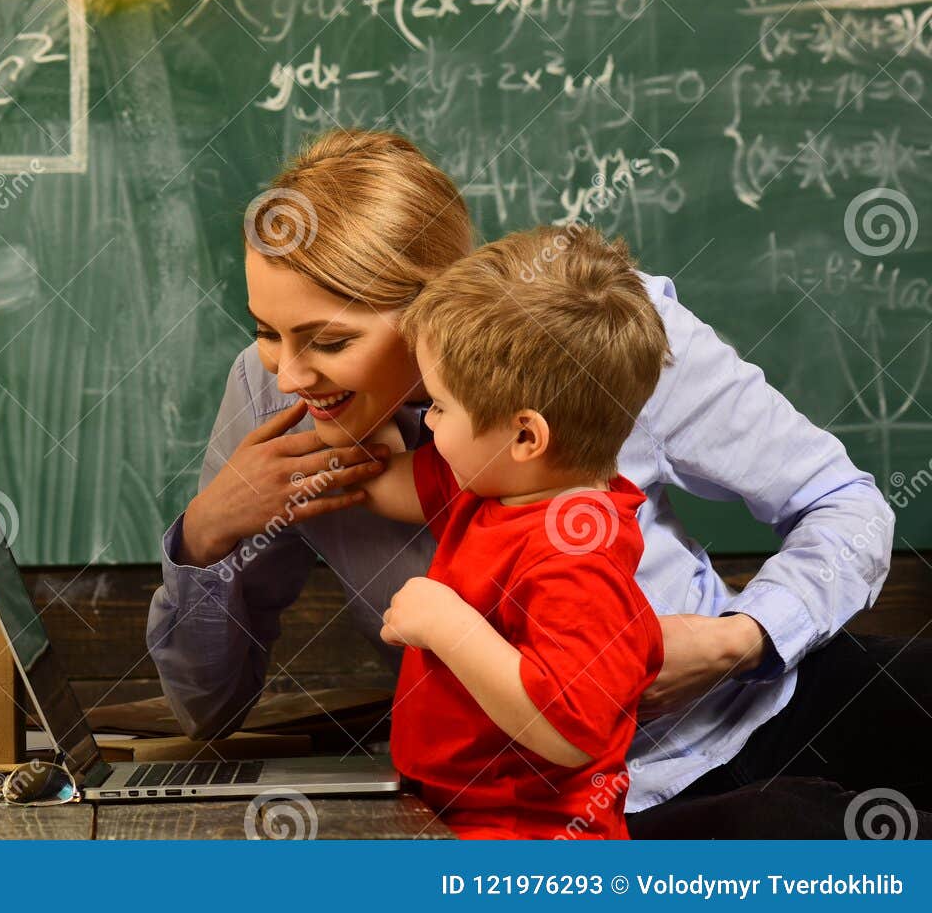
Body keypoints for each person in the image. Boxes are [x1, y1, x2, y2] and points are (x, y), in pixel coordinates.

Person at [148, 128, 929, 838]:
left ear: (429, 312)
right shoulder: (272, 398)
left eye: (329, 340)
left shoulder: (602, 329)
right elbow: (209, 712)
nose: (288, 373)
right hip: (578, 806)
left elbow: (846, 506)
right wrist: (205, 534)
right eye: (263, 331)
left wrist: (742, 639)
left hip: (758, 701)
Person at [360, 226, 667, 838]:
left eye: (440, 407)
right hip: (448, 813)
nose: (428, 422)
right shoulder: (497, 483)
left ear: (526, 435)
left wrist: (448, 625)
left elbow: (569, 733)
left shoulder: (577, 559)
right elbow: (378, 484)